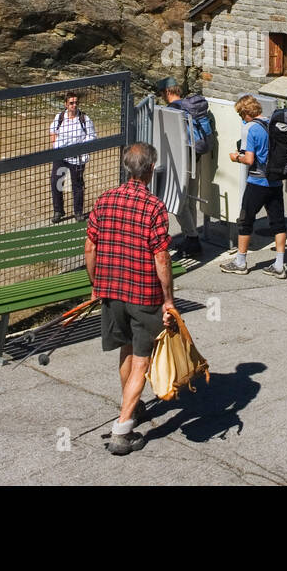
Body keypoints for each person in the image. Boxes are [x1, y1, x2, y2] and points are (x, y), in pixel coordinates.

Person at [85, 143, 177, 456]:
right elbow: (161, 257)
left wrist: (96, 283)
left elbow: (90, 248)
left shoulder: (104, 199)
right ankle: (122, 430)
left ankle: (131, 407)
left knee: (125, 350)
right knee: (142, 359)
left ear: (127, 167)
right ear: (150, 169)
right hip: (143, 294)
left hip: (111, 290)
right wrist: (169, 299)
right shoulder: (154, 207)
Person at [221, 95, 287, 279]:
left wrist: (236, 157)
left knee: (245, 220)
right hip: (275, 181)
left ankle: (240, 262)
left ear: (245, 113)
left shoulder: (250, 128)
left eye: (241, 114)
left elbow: (249, 159)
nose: (241, 118)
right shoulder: (272, 124)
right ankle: (280, 264)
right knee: (278, 222)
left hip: (257, 182)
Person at [157, 77, 207, 258]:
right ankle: (191, 237)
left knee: (178, 201)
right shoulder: (191, 107)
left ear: (167, 92)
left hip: (182, 161)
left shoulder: (172, 111)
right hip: (197, 158)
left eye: (161, 93)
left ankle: (192, 238)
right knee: (190, 200)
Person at [49, 92, 96, 223]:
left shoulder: (84, 119)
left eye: (76, 103)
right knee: (57, 181)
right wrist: (56, 145)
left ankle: (78, 212)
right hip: (61, 155)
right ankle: (58, 210)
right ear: (66, 104)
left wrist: (81, 148)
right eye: (71, 103)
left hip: (77, 157)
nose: (74, 105)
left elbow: (92, 136)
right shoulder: (60, 117)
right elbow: (53, 131)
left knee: (77, 184)